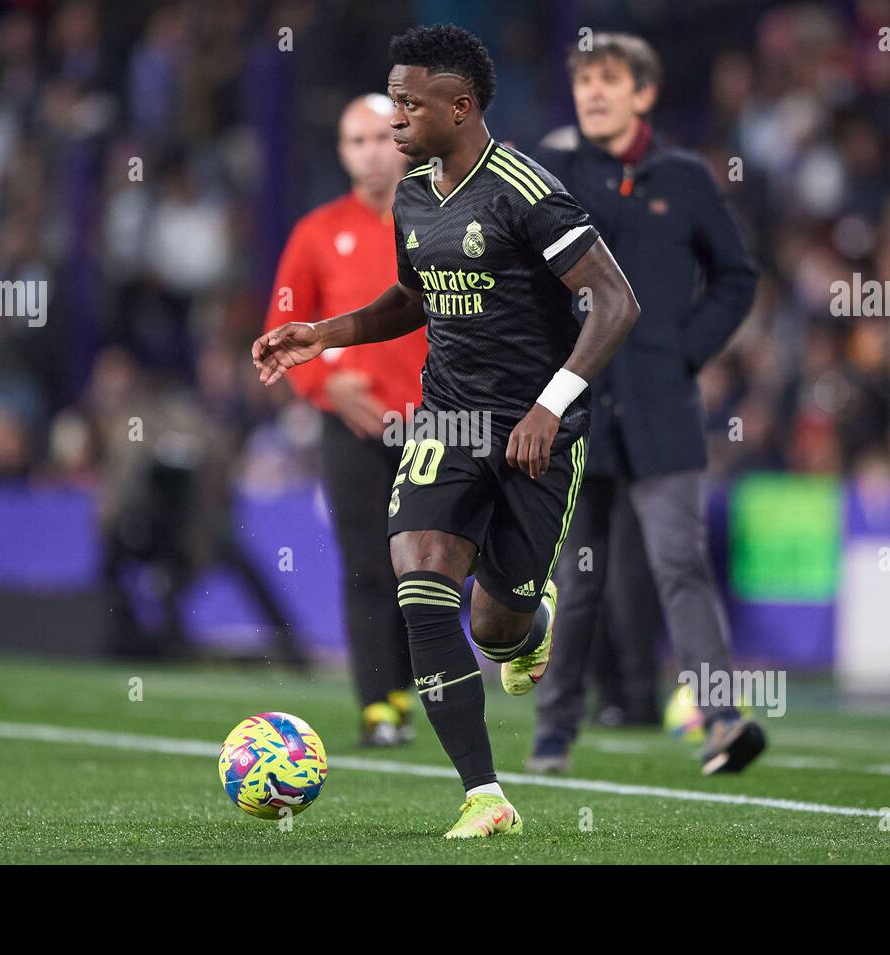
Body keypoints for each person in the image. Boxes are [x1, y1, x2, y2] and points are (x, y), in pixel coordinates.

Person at [254, 24, 640, 838]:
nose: (395, 118)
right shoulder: (415, 193)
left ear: (460, 107)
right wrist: (322, 333)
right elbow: (412, 298)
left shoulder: (526, 191)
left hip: (540, 429)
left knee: (495, 626)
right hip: (448, 419)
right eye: (391, 102)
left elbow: (616, 301)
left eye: (408, 103)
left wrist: (551, 401)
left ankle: (527, 625)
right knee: (420, 579)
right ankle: (485, 795)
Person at [531, 33, 765, 775]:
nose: (593, 93)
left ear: (644, 93)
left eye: (608, 79)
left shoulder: (685, 176)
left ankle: (721, 719)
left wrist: (682, 350)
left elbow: (736, 276)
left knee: (679, 561)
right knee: (578, 579)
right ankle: (553, 732)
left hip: (662, 405)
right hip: (578, 403)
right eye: (584, 81)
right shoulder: (552, 171)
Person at [264, 94, 428, 746]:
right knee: (366, 563)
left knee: (428, 566)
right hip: (353, 428)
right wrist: (327, 382)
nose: (368, 151)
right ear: (340, 152)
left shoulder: (436, 218)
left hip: (438, 424)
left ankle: (408, 687)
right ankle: (378, 705)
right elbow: (282, 330)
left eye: (379, 138)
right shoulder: (314, 233)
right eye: (354, 140)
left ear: (403, 142)